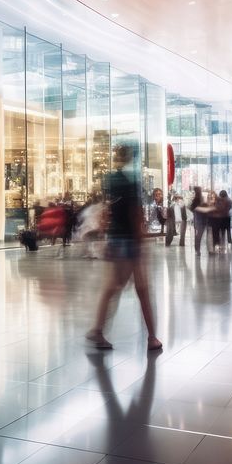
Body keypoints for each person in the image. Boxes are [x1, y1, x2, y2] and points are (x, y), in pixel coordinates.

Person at [86, 144, 162, 351]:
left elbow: (106, 210)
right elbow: (135, 213)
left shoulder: (109, 180)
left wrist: (104, 235)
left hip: (116, 238)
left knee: (114, 287)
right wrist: (142, 241)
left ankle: (98, 330)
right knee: (142, 289)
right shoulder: (132, 181)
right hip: (129, 240)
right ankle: (151, 337)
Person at [190, 186, 208, 256]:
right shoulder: (198, 199)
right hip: (199, 219)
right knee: (199, 236)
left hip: (199, 219)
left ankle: (197, 249)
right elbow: (193, 208)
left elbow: (192, 208)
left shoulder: (198, 199)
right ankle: (197, 250)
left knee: (198, 236)